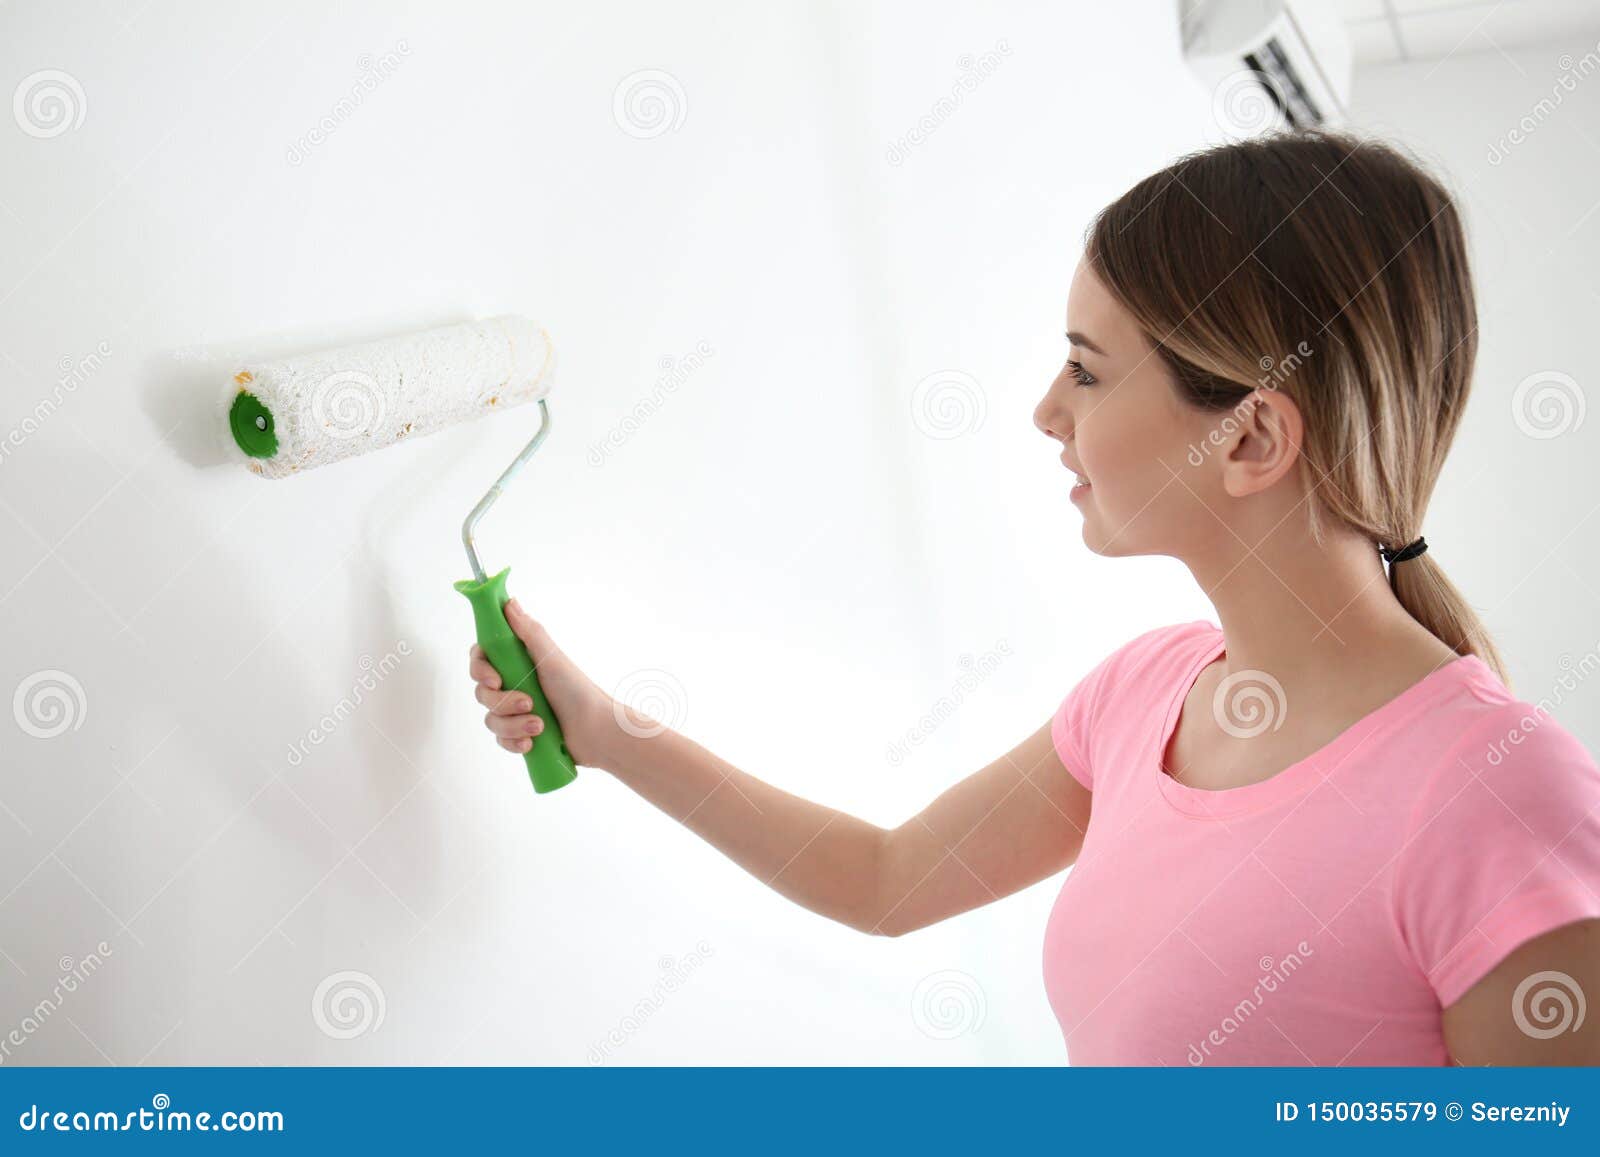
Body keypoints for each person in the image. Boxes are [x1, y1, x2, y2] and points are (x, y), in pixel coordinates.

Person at [468, 130, 1600, 1065]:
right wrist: (607, 730)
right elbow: (887, 877)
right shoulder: (1142, 695)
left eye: (1089, 369)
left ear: (1249, 436)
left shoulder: (1500, 800)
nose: (1047, 410)